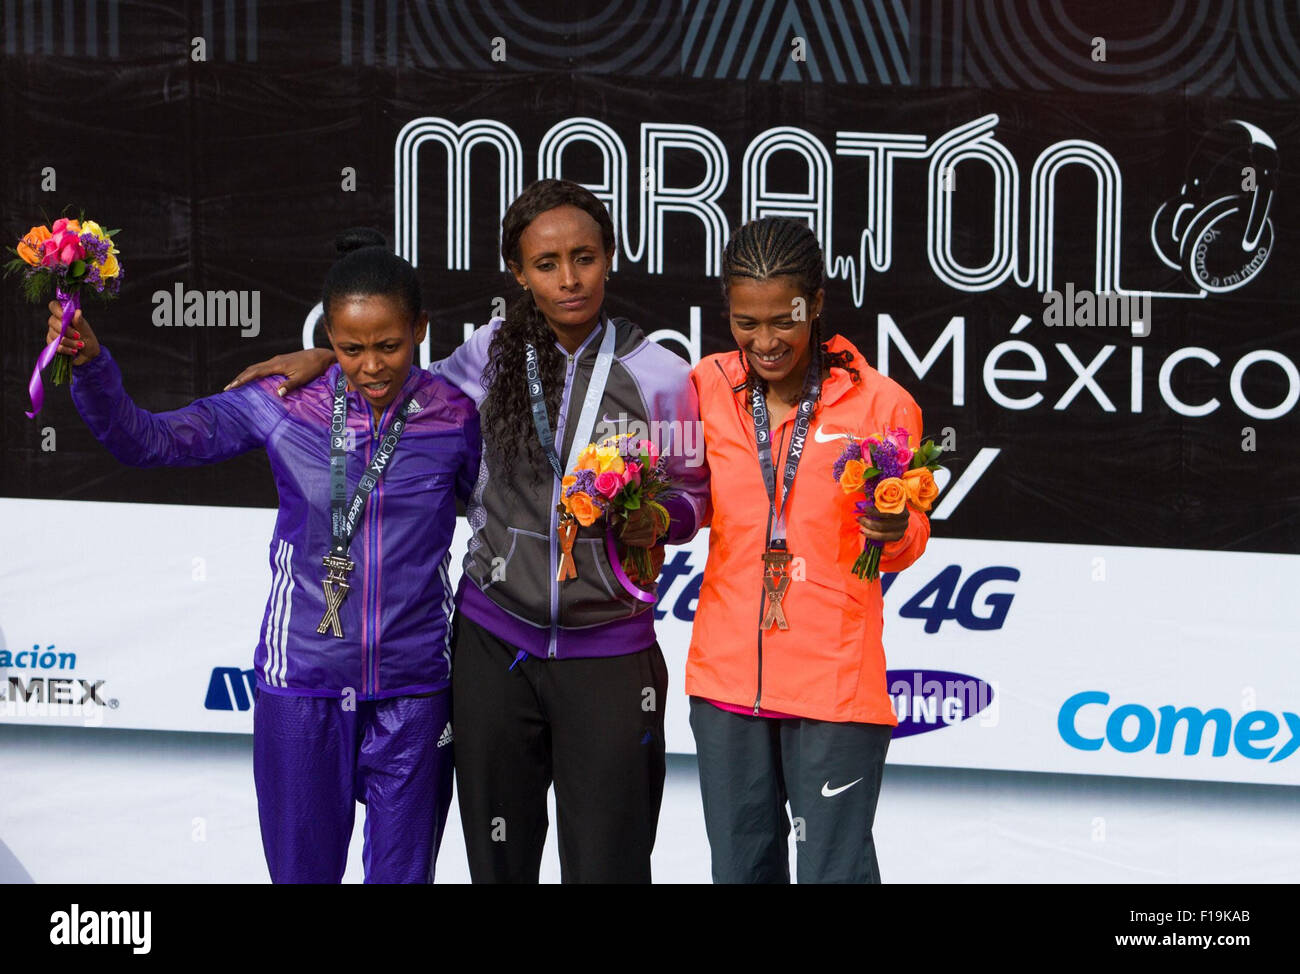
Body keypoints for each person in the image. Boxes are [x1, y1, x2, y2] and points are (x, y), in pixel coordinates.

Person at [227, 179, 710, 883]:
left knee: (610, 866)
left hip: (609, 651)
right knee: (497, 864)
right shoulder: (485, 355)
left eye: (584, 256)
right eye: (546, 263)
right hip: (494, 645)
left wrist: (657, 518)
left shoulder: (661, 374)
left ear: (611, 256)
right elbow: (394, 377)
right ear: (518, 273)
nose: (568, 278)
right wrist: (331, 358)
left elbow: (695, 497)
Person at [46, 229, 480, 883]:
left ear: (420, 328)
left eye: (389, 345)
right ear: (326, 336)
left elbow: (500, 518)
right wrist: (92, 368)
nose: (370, 366)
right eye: (349, 347)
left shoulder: (454, 417)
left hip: (416, 693)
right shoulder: (284, 402)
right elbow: (150, 441)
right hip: (301, 685)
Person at [686, 216, 930, 883]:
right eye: (745, 322)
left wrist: (894, 532)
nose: (764, 342)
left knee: (835, 875)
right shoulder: (704, 387)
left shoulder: (882, 405)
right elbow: (685, 505)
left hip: (833, 687)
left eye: (783, 321)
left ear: (817, 303)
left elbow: (907, 541)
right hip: (727, 682)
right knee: (740, 872)